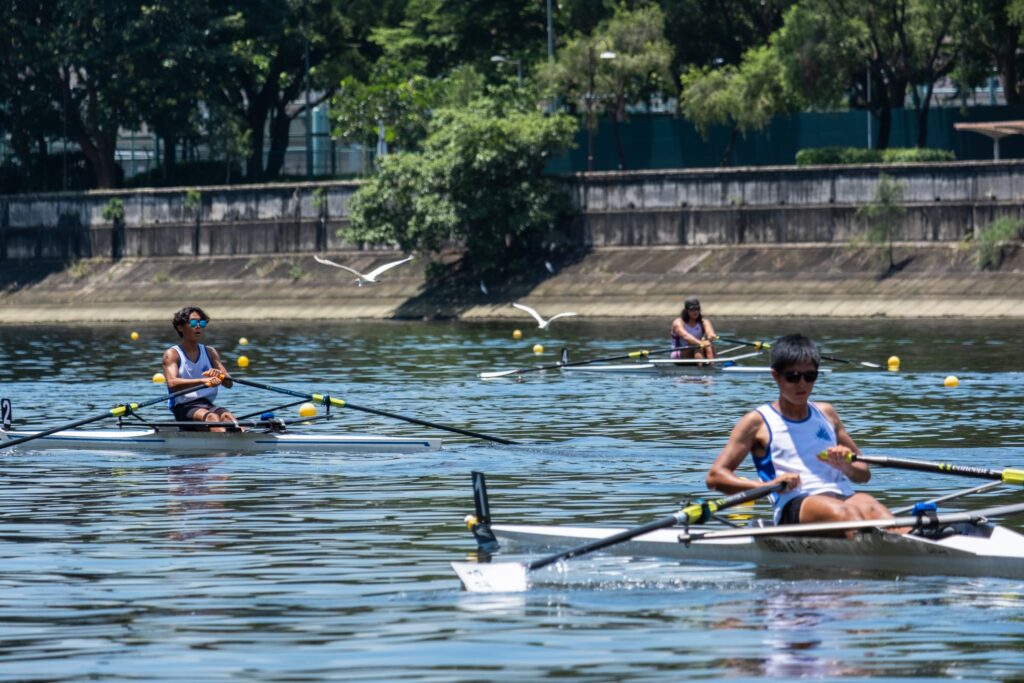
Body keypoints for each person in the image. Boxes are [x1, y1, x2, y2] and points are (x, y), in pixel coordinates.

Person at [705, 334, 894, 529]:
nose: (802, 383)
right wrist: (767, 486)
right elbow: (715, 477)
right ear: (776, 376)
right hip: (795, 505)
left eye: (810, 376)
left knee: (874, 508)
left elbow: (864, 475)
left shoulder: (827, 414)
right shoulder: (757, 422)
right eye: (793, 377)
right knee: (845, 514)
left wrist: (846, 465)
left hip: (844, 496)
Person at [162, 306, 238, 431]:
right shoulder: (172, 354)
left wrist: (220, 376)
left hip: (207, 404)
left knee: (228, 417)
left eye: (201, 323)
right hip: (183, 407)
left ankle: (240, 439)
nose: (198, 326)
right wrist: (203, 381)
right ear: (180, 327)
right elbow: (172, 383)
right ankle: (224, 447)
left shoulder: (210, 352)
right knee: (212, 418)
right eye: (193, 322)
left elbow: (229, 383)